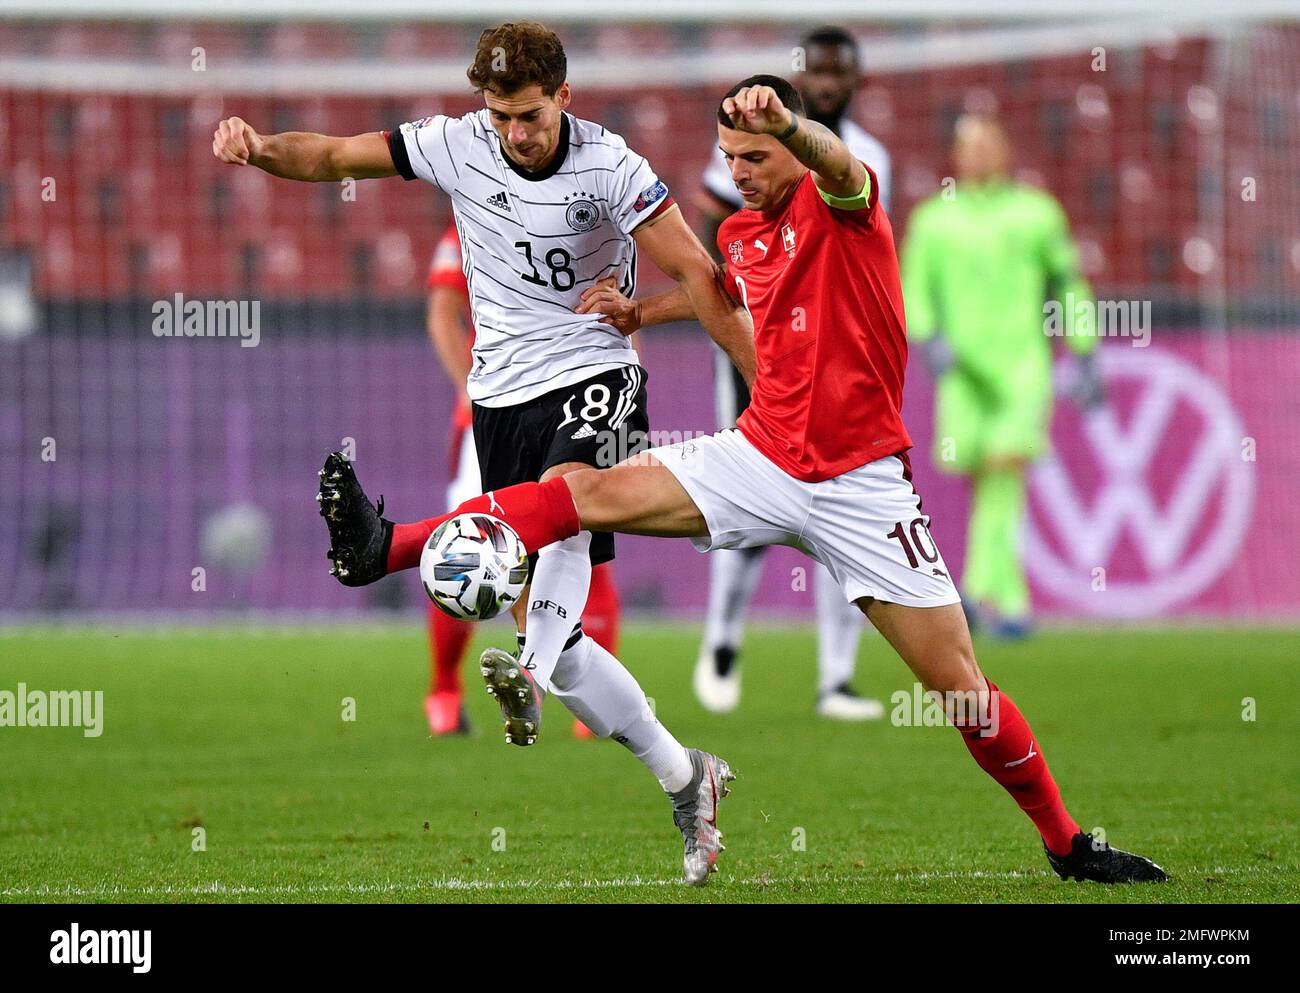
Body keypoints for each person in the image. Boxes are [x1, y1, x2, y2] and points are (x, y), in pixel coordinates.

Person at [319, 75, 1166, 885]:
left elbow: (836, 161)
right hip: (759, 455)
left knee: (962, 693)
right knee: (581, 491)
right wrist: (638, 311)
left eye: (756, 157)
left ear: (792, 148)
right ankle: (382, 548)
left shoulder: (847, 205)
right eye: (730, 158)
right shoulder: (739, 232)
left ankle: (1067, 842)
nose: (739, 174)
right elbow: (724, 289)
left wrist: (796, 129)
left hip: (861, 482)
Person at [215, 21, 753, 885]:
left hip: (595, 372)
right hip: (500, 397)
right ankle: (686, 775)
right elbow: (333, 158)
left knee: (570, 497)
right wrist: (259, 149)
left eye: (531, 114)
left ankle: (511, 660)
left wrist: (768, 391)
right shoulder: (455, 146)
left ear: (565, 98)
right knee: (563, 629)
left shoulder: (612, 169)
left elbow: (702, 273)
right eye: (500, 114)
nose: (515, 132)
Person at [693, 25, 891, 720]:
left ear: (857, 78)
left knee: (845, 525)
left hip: (841, 366)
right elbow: (728, 252)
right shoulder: (752, 139)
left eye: (843, 68)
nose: (742, 168)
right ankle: (720, 643)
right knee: (745, 510)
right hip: (766, 351)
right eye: (821, 69)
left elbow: (862, 236)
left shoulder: (867, 157)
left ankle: (836, 676)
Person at [901, 114, 1101, 637]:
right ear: (955, 157)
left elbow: (1068, 282)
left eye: (990, 142)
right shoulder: (932, 220)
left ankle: (970, 590)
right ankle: (1011, 606)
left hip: (1021, 368)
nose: (981, 153)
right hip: (963, 374)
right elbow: (914, 288)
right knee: (986, 479)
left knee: (1004, 465)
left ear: (1007, 150)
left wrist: (1083, 349)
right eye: (970, 145)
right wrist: (928, 338)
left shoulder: (1037, 213)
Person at [422, 225, 620, 737]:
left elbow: (620, 315)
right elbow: (444, 312)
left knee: (584, 542)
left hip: (579, 410)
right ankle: (444, 688)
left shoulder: (594, 225)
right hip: (496, 417)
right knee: (467, 551)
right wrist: (468, 388)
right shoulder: (469, 222)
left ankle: (588, 706)